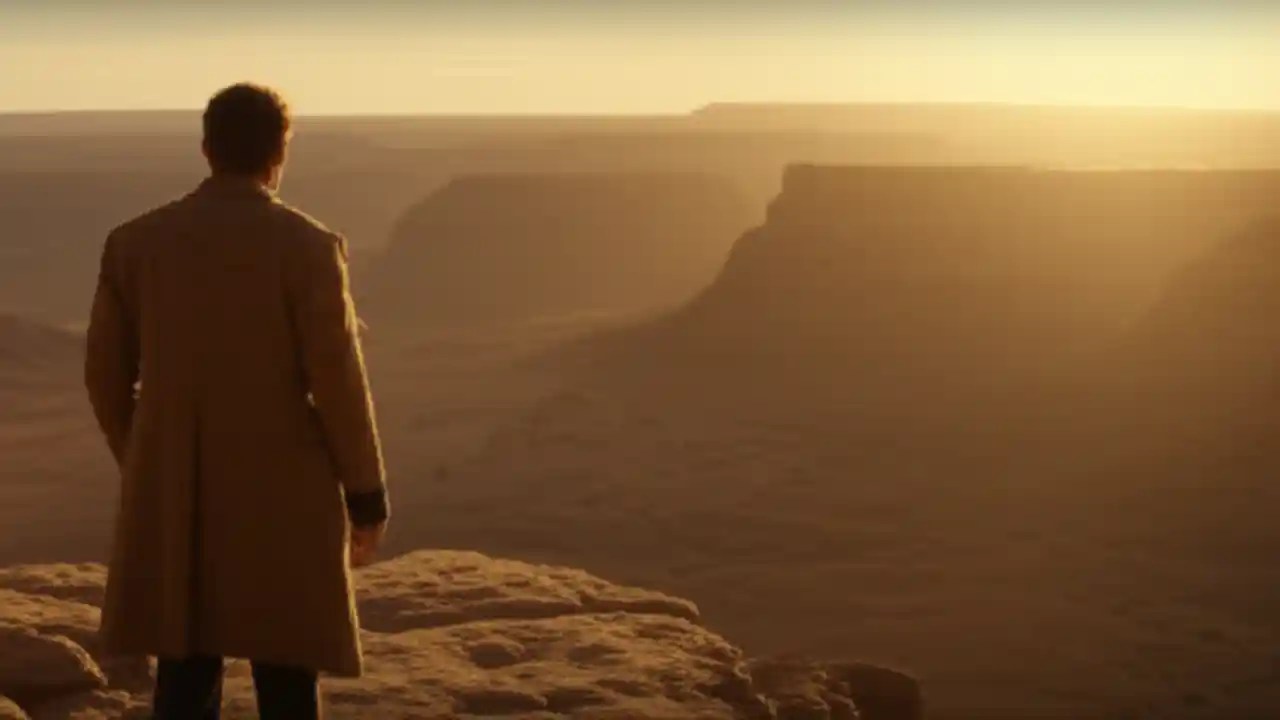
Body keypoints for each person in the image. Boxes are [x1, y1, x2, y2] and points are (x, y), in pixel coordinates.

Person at [84, 83, 390, 720]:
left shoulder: (135, 243)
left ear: (206, 149)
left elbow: (104, 378)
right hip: (285, 493)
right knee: (286, 675)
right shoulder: (308, 247)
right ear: (281, 151)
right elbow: (338, 382)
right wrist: (366, 495)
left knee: (185, 669)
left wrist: (146, 455)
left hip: (181, 485)